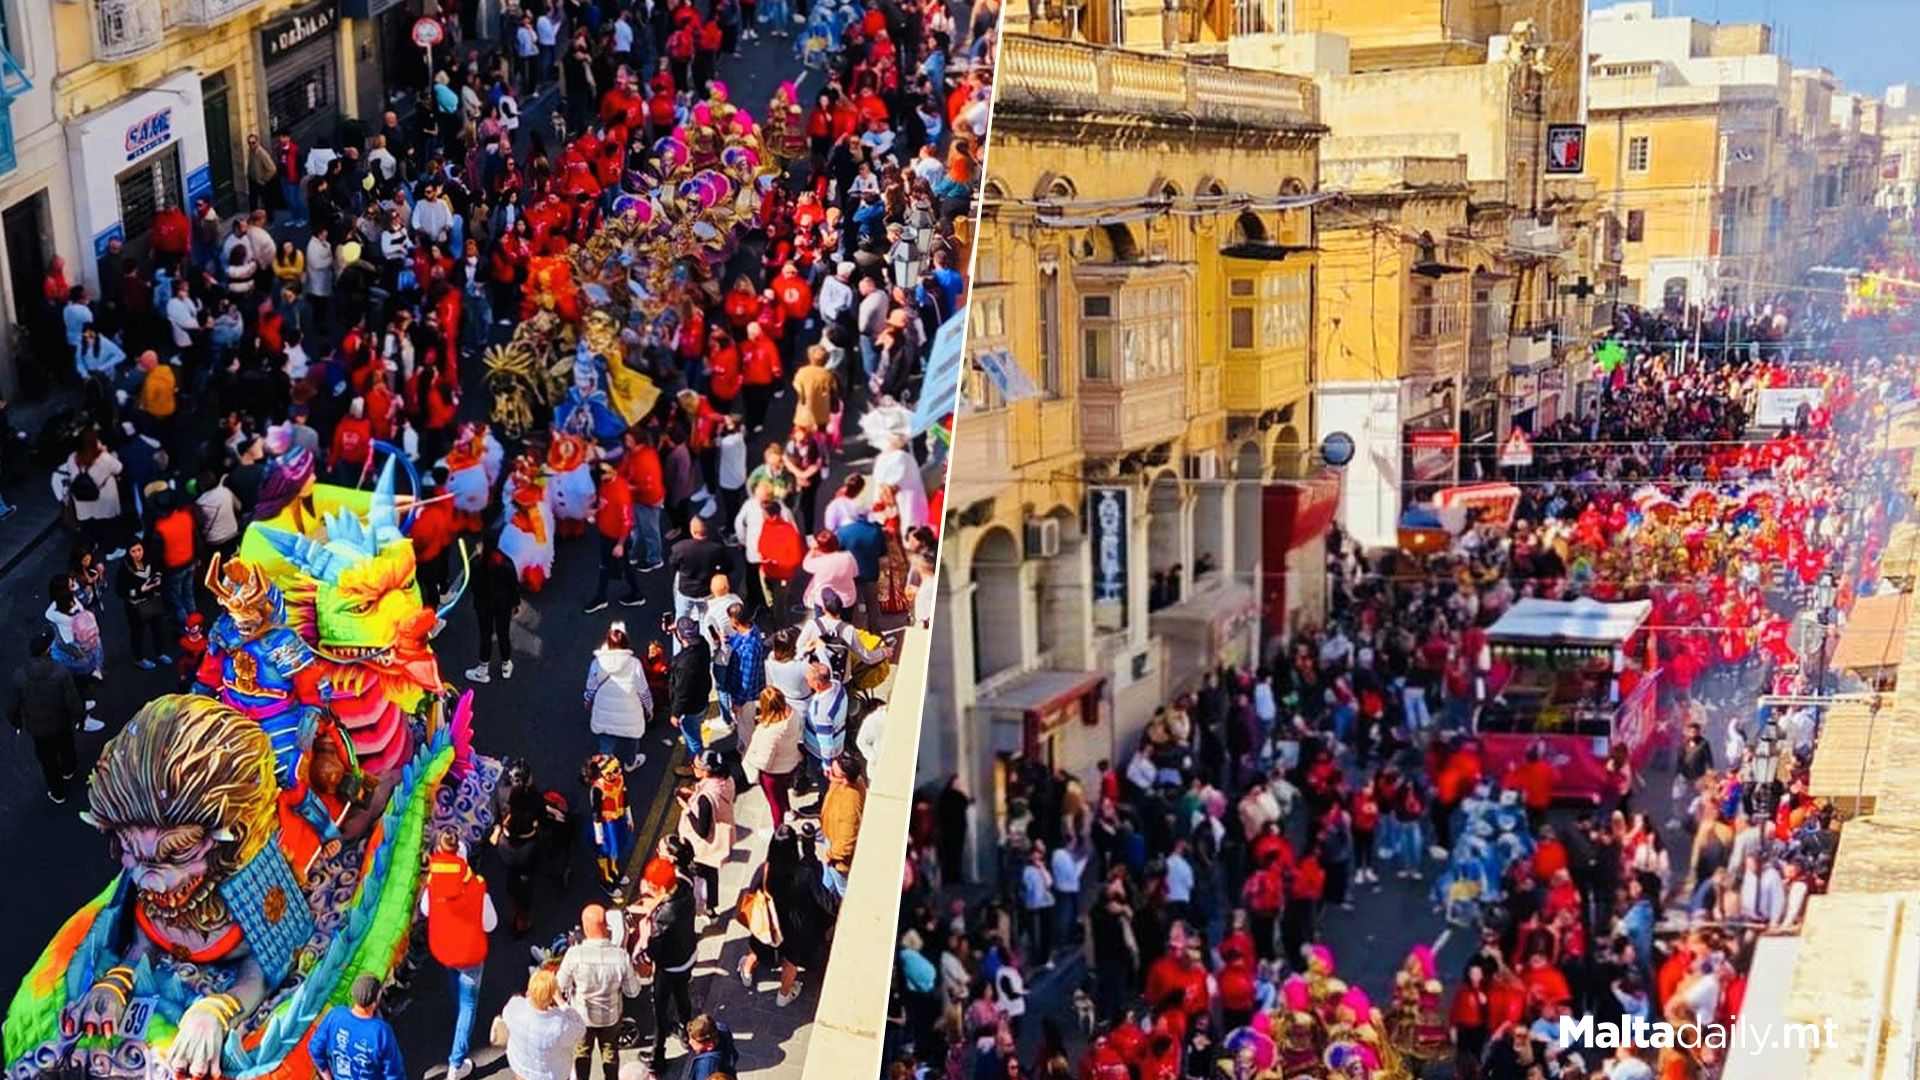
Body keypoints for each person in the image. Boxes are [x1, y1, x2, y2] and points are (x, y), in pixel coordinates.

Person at [419, 828, 497, 1080]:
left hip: (443, 948)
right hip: (471, 953)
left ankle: (457, 1012)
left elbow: (426, 909)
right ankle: (456, 1063)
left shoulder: (433, 882)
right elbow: (490, 924)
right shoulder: (476, 886)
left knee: (454, 980)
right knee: (469, 1004)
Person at [738, 824, 837, 1007]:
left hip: (769, 922)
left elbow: (753, 891)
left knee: (758, 949)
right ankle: (784, 995)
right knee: (791, 962)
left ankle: (746, 973)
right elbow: (826, 901)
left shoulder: (765, 870)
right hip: (796, 926)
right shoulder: (804, 873)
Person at [555, 903, 643, 1080]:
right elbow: (633, 991)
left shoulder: (574, 955)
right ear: (606, 926)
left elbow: (559, 984)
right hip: (610, 1017)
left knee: (582, 1053)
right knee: (610, 1053)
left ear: (586, 927)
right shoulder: (620, 957)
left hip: (582, 1017)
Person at [8, 630, 85, 804]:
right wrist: (79, 717)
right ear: (48, 650)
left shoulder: (20, 676)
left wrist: (17, 722)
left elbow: (13, 706)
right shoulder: (60, 672)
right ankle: (69, 768)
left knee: (48, 761)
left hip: (38, 728)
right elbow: (71, 699)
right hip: (60, 721)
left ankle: (58, 793)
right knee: (66, 746)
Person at [307, 974, 406, 1080]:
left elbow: (315, 1047)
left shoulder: (336, 1015)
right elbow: (394, 1073)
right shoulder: (380, 1032)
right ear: (375, 1000)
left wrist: (326, 1076)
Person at [492, 968, 585, 1080]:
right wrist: (562, 1003)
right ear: (550, 997)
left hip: (521, 1067)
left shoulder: (515, 1006)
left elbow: (506, 1015)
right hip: (551, 1075)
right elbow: (580, 1028)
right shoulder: (559, 1024)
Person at [677, 749, 738, 918]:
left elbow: (701, 831)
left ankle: (700, 908)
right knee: (712, 875)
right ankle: (712, 909)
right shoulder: (726, 780)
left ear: (706, 770)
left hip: (704, 846)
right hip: (721, 837)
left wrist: (687, 808)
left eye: (695, 765)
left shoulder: (706, 797)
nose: (692, 767)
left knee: (699, 878)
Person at [586, 622, 652, 769]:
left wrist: (587, 700)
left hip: (604, 713)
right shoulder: (634, 664)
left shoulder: (597, 663)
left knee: (606, 738)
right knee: (631, 738)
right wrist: (649, 708)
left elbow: (591, 687)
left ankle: (605, 766)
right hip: (629, 714)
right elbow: (643, 691)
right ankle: (630, 762)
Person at [53, 428, 126, 557]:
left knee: (88, 527)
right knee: (108, 525)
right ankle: (111, 551)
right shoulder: (104, 458)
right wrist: (107, 452)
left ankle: (90, 548)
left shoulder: (73, 458)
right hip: (104, 498)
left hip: (83, 499)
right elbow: (119, 468)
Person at [743, 685, 804, 831]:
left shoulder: (770, 732)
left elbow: (763, 762)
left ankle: (778, 829)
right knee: (783, 791)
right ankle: (789, 811)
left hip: (773, 773)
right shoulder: (792, 714)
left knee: (774, 802)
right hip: (791, 762)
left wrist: (749, 757)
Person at [468, 531, 521, 683]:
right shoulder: (506, 562)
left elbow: (473, 585)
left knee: (485, 635)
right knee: (503, 634)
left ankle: (483, 669)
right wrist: (516, 603)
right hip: (503, 605)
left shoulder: (477, 563)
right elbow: (514, 585)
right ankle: (506, 665)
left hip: (483, 605)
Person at [114, 538, 171, 669]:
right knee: (138, 633)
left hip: (152, 600)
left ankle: (160, 652)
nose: (137, 554)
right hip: (135, 606)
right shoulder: (124, 569)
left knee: (158, 628)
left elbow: (160, 569)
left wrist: (158, 578)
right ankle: (139, 658)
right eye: (133, 551)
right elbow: (121, 592)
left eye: (139, 550)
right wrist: (139, 590)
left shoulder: (150, 560)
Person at [820, 753, 866, 895]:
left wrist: (830, 855)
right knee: (827, 881)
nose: (829, 773)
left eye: (833, 772)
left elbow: (847, 841)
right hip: (830, 838)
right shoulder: (851, 781)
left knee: (842, 888)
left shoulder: (850, 805)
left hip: (837, 856)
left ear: (845, 780)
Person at [669, 616, 715, 760]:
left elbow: (682, 693)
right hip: (701, 697)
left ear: (681, 636)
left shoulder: (685, 665)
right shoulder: (702, 643)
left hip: (690, 708)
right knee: (695, 731)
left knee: (693, 740)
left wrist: (676, 713)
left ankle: (697, 764)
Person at [686, 1014, 740, 1080]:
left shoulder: (706, 1066)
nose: (690, 1042)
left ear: (709, 1046)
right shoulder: (721, 1029)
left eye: (694, 1041)